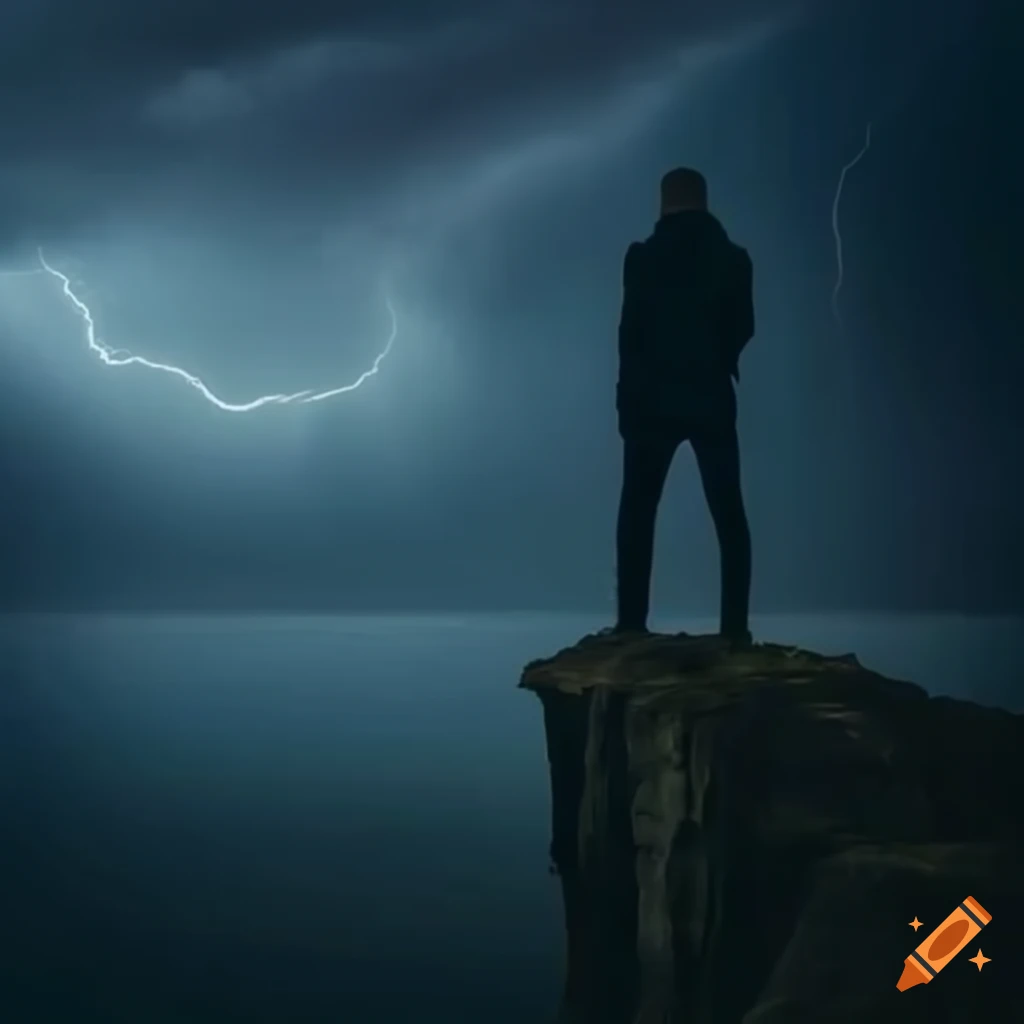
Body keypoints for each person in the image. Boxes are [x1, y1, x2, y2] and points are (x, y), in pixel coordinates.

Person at [612, 167, 754, 644]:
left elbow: (629, 334)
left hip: (650, 403)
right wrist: (717, 358)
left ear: (663, 203)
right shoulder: (735, 260)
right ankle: (734, 629)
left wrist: (626, 400)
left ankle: (631, 624)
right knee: (729, 514)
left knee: (638, 511)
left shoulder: (641, 258)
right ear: (705, 202)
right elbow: (744, 327)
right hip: (711, 397)